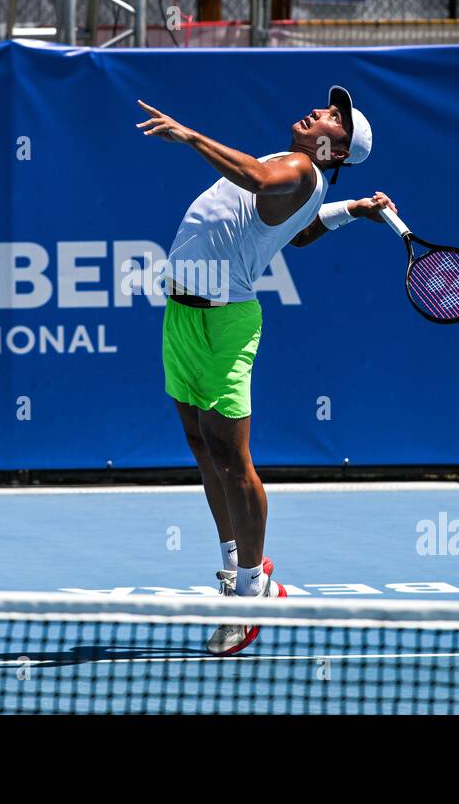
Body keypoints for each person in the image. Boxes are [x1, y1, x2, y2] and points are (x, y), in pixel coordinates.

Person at [135, 86, 393, 656]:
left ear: (335, 149)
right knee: (203, 447)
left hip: (225, 323)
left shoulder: (297, 169)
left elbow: (254, 179)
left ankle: (252, 593)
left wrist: (189, 134)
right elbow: (296, 233)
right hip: (183, 312)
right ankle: (237, 568)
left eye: (332, 118)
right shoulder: (295, 172)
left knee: (231, 457)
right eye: (327, 106)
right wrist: (351, 210)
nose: (318, 112)